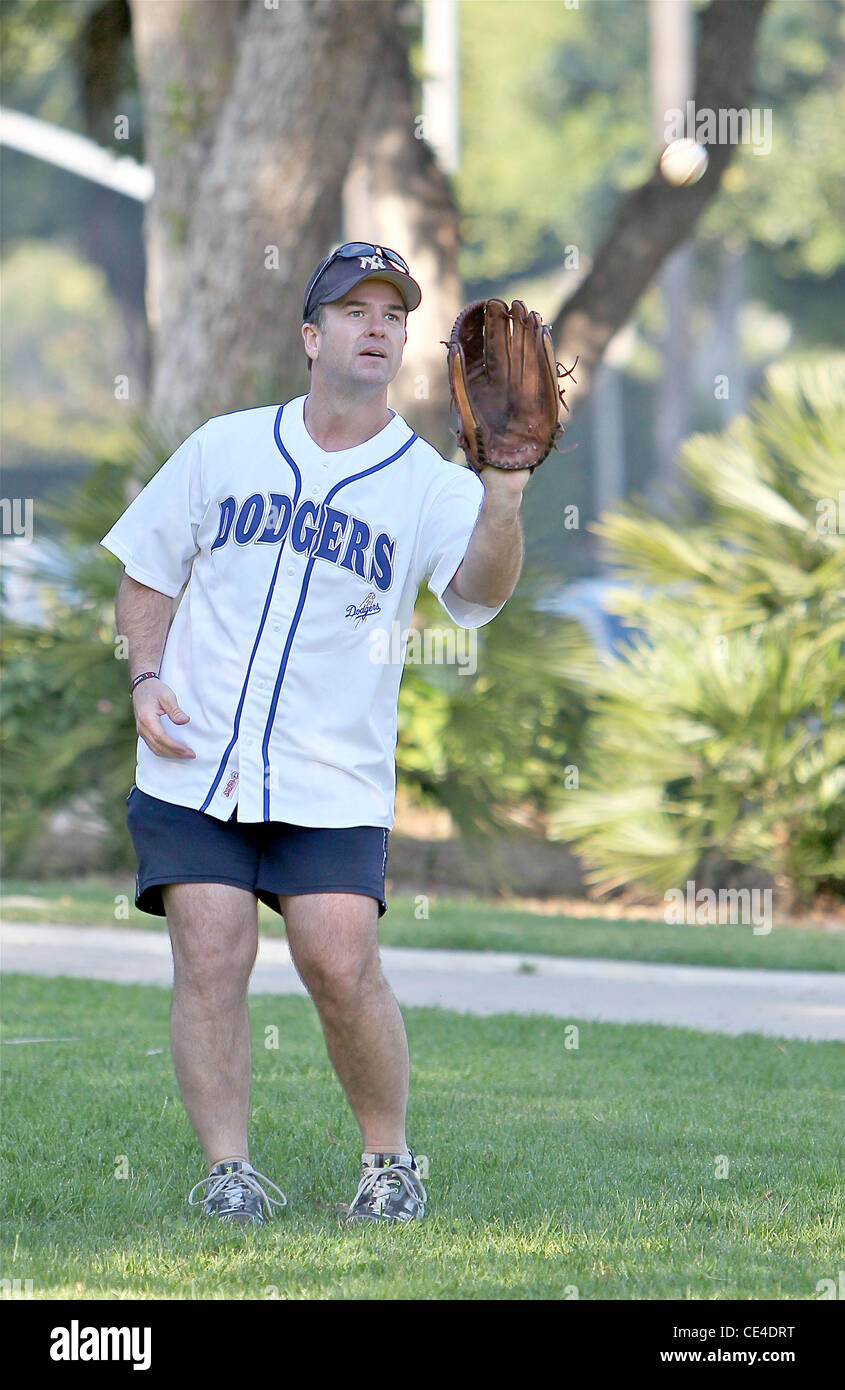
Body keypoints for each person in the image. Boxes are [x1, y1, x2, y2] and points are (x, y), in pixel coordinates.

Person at [100, 242, 530, 1226]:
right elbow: (147, 572)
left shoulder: (425, 482)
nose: (375, 326)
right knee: (210, 955)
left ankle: (387, 1161)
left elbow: (476, 593)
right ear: (311, 335)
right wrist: (146, 676)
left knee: (339, 963)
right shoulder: (225, 446)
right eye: (353, 310)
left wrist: (502, 494)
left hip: (330, 774)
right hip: (193, 760)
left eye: (391, 313)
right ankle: (228, 1170)